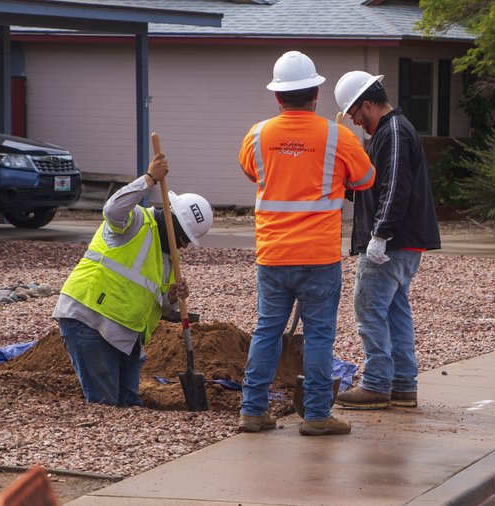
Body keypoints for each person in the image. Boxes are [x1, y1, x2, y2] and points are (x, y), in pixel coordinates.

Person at [238, 51, 375, 436]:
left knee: (267, 330)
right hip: (318, 255)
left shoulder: (258, 135)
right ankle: (316, 415)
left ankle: (253, 410)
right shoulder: (337, 136)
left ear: (278, 96)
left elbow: (251, 171)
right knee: (318, 336)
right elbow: (365, 179)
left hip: (273, 253)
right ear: (315, 92)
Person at [53, 153, 213, 406]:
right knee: (105, 404)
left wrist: (170, 297)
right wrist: (149, 179)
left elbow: (156, 303)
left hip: (126, 336)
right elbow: (112, 210)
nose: (183, 247)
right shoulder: (135, 222)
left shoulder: (169, 261)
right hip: (90, 321)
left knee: (129, 407)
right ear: (171, 223)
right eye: (183, 239)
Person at [332, 71, 441, 409]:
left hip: (390, 243)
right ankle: (403, 385)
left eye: (355, 115)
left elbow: (395, 186)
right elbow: (376, 185)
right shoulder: (395, 129)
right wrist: (346, 184)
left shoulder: (392, 131)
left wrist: (380, 234)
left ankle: (377, 384)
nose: (355, 122)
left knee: (369, 309)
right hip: (404, 241)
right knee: (394, 312)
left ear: (367, 104)